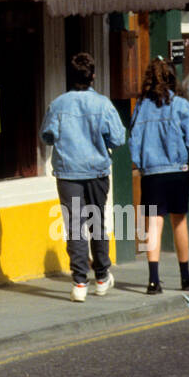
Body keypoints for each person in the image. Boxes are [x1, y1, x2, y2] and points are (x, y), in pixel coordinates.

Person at [40, 52, 126, 302]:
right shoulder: (103, 104)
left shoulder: (58, 104)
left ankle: (79, 282)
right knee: (96, 223)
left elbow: (47, 136)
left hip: (68, 172)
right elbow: (118, 138)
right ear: (93, 76)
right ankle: (101, 276)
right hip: (96, 170)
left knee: (74, 226)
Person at [128, 58, 189, 294]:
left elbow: (133, 141)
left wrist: (142, 166)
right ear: (173, 78)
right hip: (178, 171)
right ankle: (185, 276)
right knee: (179, 221)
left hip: (152, 173)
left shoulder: (141, 107)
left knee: (153, 223)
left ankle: (153, 281)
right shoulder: (182, 106)